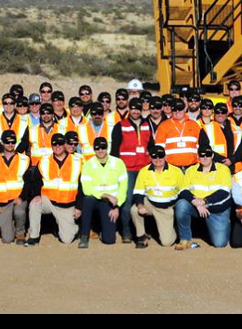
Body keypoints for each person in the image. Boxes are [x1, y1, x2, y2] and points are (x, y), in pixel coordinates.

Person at [25, 134, 83, 246]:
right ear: (51, 146)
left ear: (65, 145)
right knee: (34, 204)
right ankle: (33, 236)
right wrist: (36, 194)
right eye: (54, 144)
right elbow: (36, 180)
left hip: (67, 205)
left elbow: (82, 186)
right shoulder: (44, 160)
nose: (57, 146)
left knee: (67, 239)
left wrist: (79, 206)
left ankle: (72, 227)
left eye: (60, 144)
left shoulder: (77, 161)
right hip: (48, 201)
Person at [110, 98, 153, 242]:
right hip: (127, 169)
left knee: (144, 200)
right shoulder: (120, 126)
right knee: (127, 201)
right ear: (129, 109)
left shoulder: (147, 124)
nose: (135, 111)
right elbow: (114, 150)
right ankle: (126, 232)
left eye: (138, 109)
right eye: (133, 108)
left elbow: (151, 146)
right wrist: (116, 170)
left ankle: (142, 231)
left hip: (144, 168)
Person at [176, 145, 233, 249]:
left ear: (212, 155)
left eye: (208, 155)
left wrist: (204, 201)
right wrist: (195, 202)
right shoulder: (191, 170)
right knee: (181, 205)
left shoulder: (223, 169)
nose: (205, 157)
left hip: (217, 209)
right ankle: (185, 239)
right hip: (197, 206)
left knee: (220, 244)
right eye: (202, 155)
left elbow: (224, 192)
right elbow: (183, 190)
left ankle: (226, 224)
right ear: (198, 157)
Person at [130, 145, 185, 249]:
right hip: (150, 203)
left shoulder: (176, 171)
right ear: (150, 158)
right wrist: (140, 206)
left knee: (166, 243)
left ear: (165, 157)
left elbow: (184, 191)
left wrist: (176, 209)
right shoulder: (144, 171)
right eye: (154, 157)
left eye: (161, 156)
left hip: (167, 208)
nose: (158, 159)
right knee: (134, 209)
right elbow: (138, 193)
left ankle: (175, 229)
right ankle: (141, 236)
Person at [77, 137, 128, 248]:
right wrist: (105, 195)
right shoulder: (88, 165)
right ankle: (84, 235)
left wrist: (117, 206)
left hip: (110, 203)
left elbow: (123, 188)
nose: (100, 150)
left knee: (109, 240)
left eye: (103, 147)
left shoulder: (118, 163)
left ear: (107, 148)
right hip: (95, 199)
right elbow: (87, 189)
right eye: (97, 148)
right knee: (87, 200)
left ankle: (102, 231)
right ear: (94, 149)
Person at [0, 130, 30, 245]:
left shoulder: (24, 159)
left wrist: (22, 197)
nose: (10, 144)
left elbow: (28, 183)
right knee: (7, 239)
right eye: (7, 142)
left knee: (19, 212)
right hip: (2, 201)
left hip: (18, 198)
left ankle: (20, 232)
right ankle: (3, 225)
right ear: (2, 142)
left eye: (13, 142)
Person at [155, 98, 201, 170]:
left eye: (180, 109)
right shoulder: (163, 126)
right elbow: (159, 148)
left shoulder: (195, 125)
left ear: (185, 109)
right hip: (171, 168)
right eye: (174, 109)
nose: (177, 112)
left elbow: (200, 146)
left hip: (192, 167)